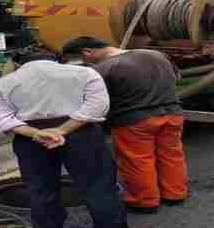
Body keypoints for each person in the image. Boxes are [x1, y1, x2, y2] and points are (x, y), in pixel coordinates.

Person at [0, 46, 143, 228]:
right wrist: (61, 130)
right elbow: (97, 106)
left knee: (40, 187)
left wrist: (36, 133)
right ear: (58, 59)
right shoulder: (84, 73)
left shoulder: (2, 84)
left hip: (30, 139)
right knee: (98, 184)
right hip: (81, 132)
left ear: (19, 63)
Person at [62, 37, 188, 214]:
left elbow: (95, 99)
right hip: (173, 114)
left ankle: (145, 202)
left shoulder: (104, 69)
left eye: (83, 60)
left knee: (137, 160)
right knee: (171, 154)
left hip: (134, 120)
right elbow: (177, 77)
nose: (85, 64)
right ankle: (175, 195)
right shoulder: (157, 55)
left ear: (88, 52)